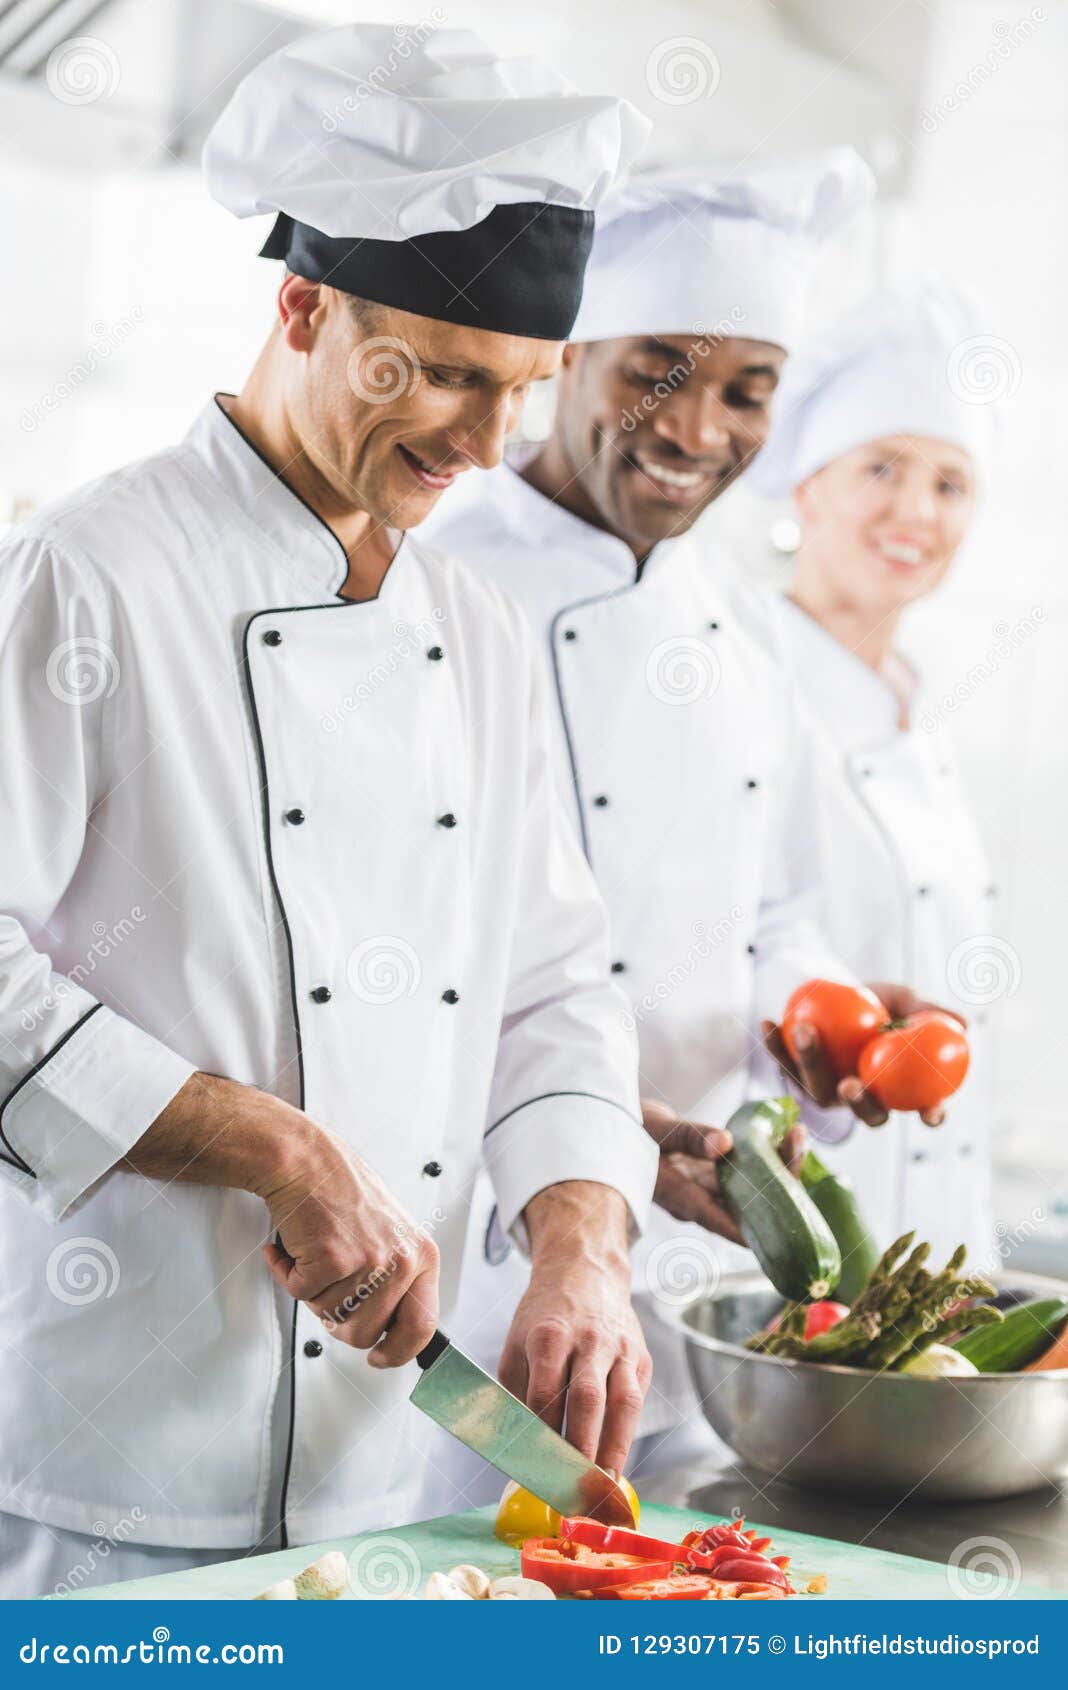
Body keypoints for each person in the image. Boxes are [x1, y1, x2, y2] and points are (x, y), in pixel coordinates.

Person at [0, 23, 659, 1596]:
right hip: (112, 1487)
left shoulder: (477, 634)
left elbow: (559, 982)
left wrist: (579, 1238)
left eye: (525, 393)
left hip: (392, 1485)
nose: (483, 450)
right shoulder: (90, 572)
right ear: (301, 303)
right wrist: (279, 1145)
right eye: (439, 376)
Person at [418, 158, 956, 1502]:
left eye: (746, 390)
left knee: (661, 1587)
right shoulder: (427, 581)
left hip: (700, 1259)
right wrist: (581, 1144)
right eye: (659, 369)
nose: (696, 425)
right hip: (472, 1256)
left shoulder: (742, 638)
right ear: (570, 355)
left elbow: (775, 914)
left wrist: (818, 1021)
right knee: (462, 1587)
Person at [746, 284, 996, 1259]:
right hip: (790, 1224)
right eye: (882, 468)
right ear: (808, 486)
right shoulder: (748, 671)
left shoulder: (922, 707)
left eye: (949, 483)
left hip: (937, 1236)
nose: (915, 512)